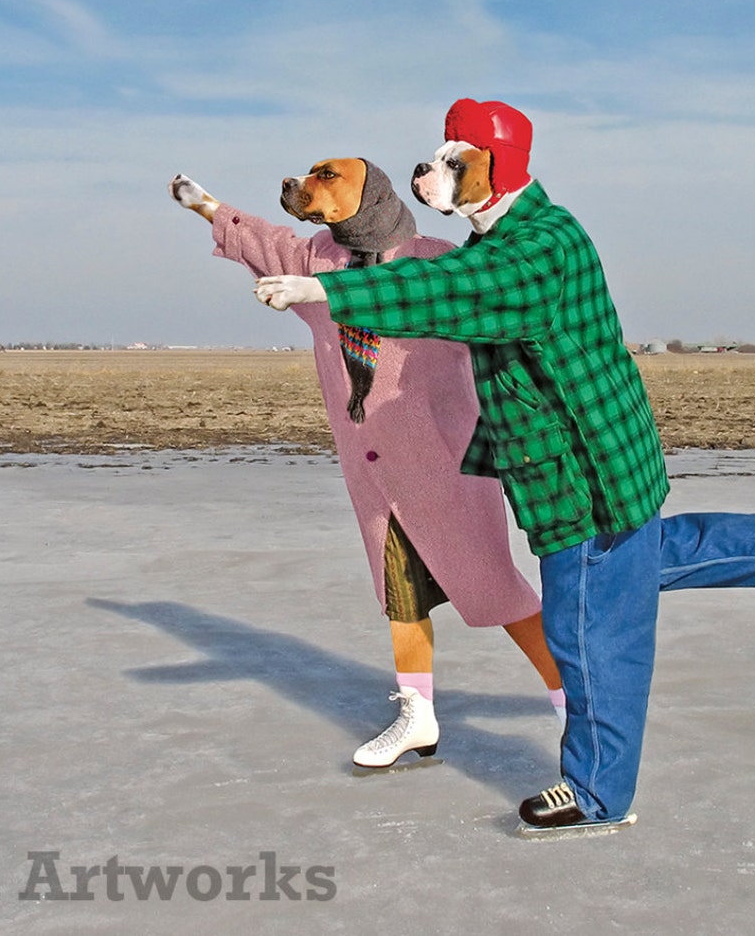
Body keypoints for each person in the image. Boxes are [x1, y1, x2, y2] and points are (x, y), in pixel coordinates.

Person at [253, 100, 755, 832]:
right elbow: (455, 279)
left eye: (454, 163)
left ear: (500, 170)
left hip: (583, 475)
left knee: (590, 631)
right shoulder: (510, 234)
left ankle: (598, 791)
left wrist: (325, 288)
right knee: (645, 558)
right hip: (600, 458)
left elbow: (449, 292)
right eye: (437, 159)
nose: (432, 173)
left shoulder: (532, 254)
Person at [168, 160, 564, 770]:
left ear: (368, 194)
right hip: (373, 463)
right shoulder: (319, 260)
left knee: (493, 586)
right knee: (399, 593)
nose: (305, 184)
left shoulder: (435, 259)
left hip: (444, 461)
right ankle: (418, 714)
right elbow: (270, 242)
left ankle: (573, 704)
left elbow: (495, 316)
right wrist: (209, 207)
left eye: (326, 177)